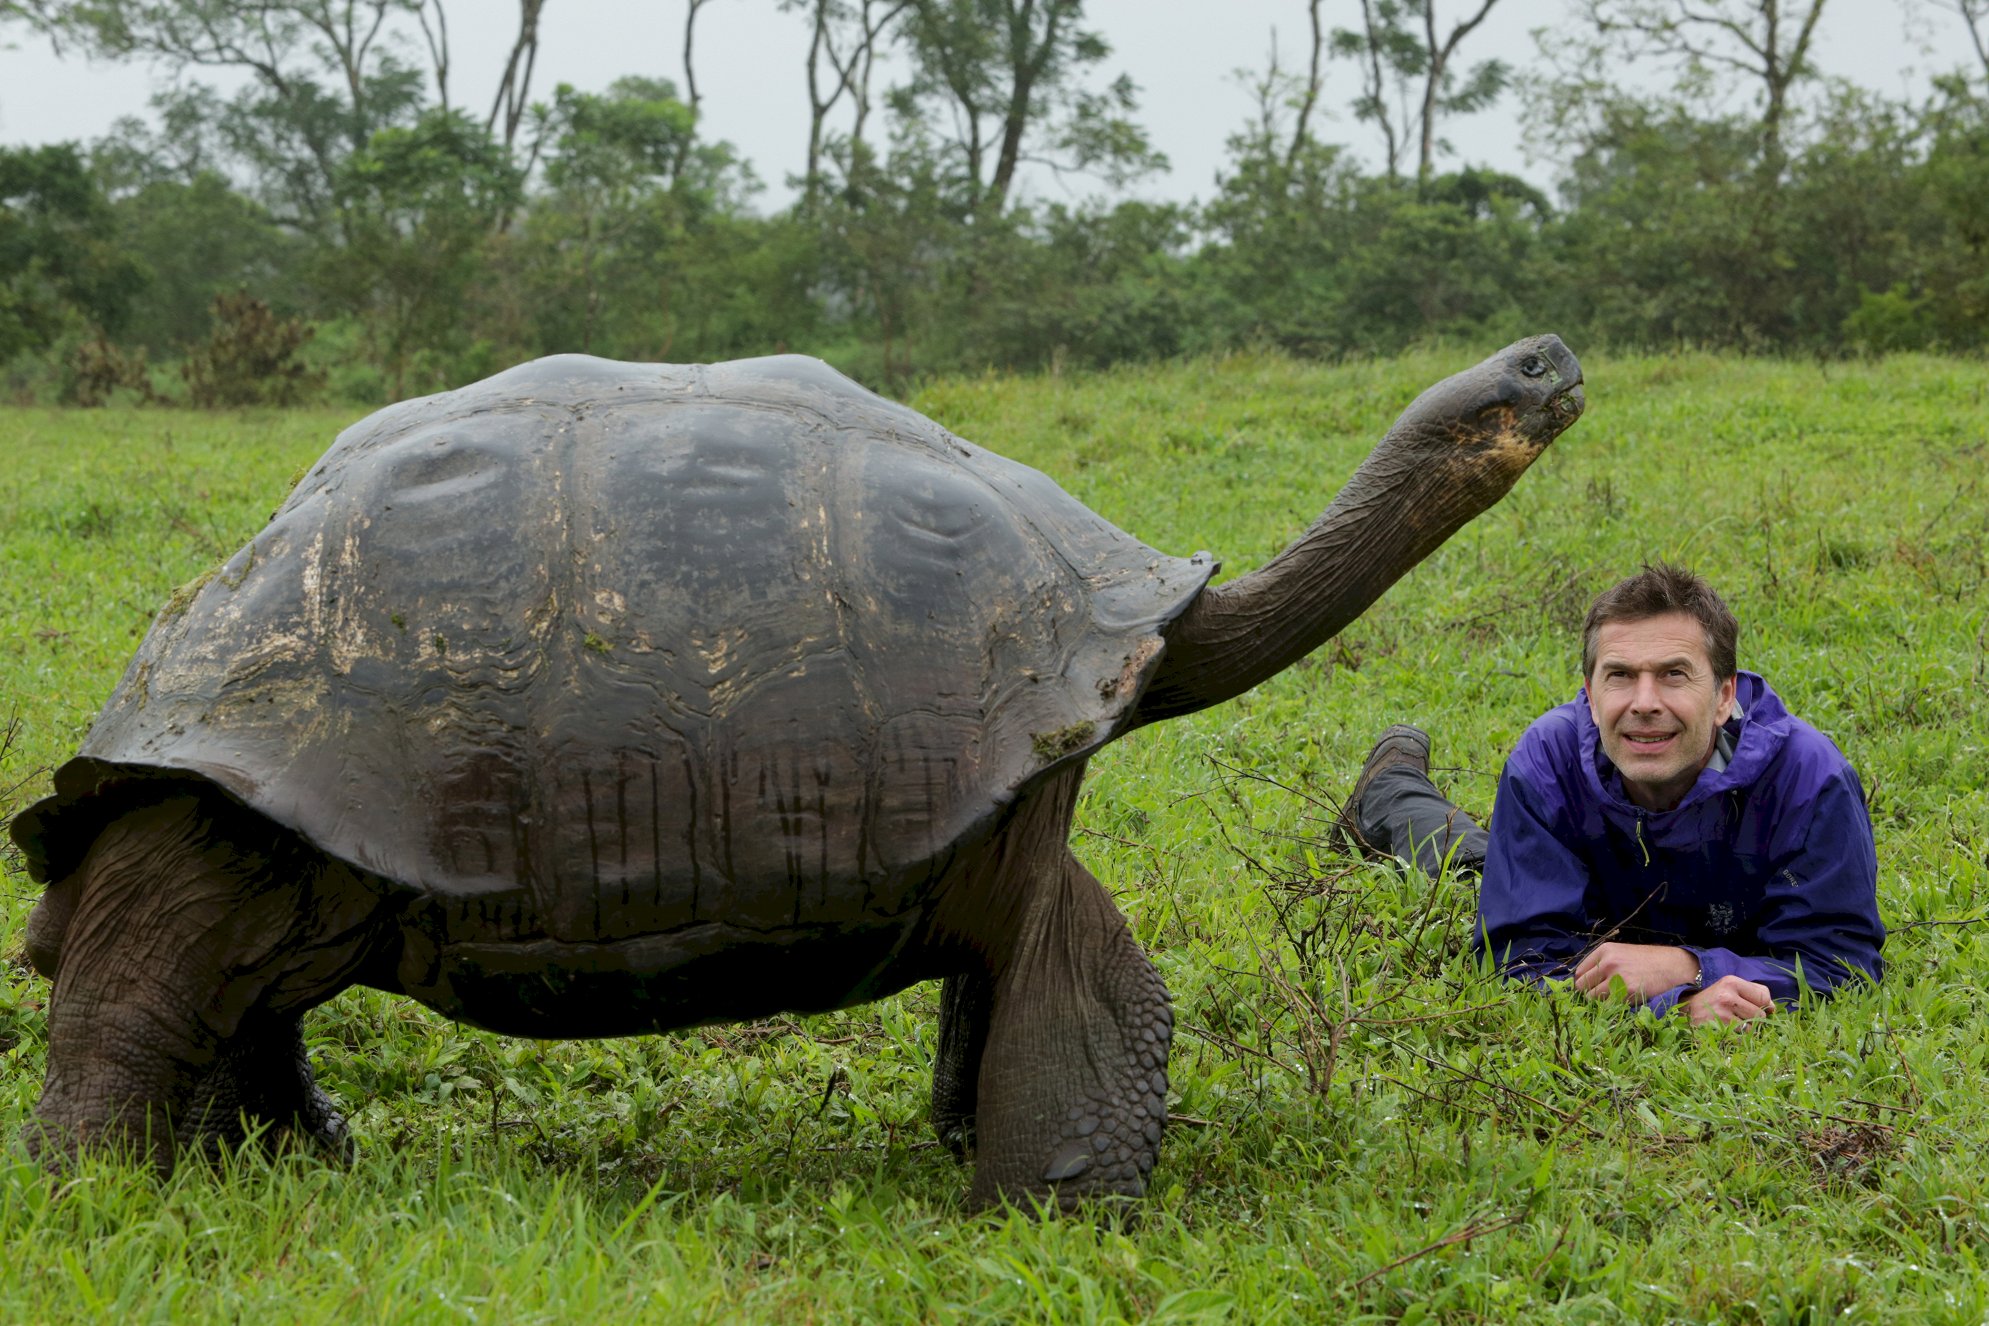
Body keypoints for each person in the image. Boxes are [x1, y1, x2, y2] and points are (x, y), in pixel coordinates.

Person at [1335, 563, 1884, 1026]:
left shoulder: (1810, 778)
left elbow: (1842, 965)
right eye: (1620, 675)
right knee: (1466, 861)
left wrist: (1688, 966)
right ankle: (1389, 792)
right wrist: (1678, 1004)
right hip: (1593, 904)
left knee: (1477, 857)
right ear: (1591, 697)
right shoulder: (1546, 759)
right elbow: (1519, 957)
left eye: (1673, 674)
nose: (1645, 701)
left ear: (1723, 697)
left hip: (1706, 916)